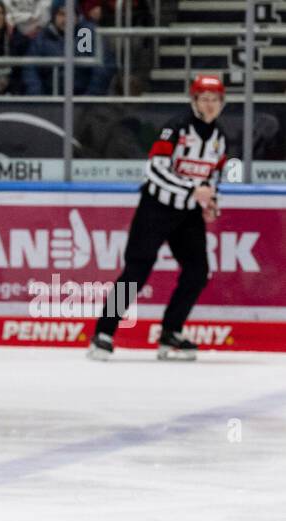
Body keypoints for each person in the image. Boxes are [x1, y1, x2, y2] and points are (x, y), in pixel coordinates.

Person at [88, 75, 229, 361]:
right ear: (194, 101)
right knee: (137, 270)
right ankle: (103, 333)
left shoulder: (219, 138)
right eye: (204, 99)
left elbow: (213, 176)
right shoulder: (176, 128)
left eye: (215, 100)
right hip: (156, 207)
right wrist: (194, 189)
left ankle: (170, 332)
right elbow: (155, 169)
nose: (210, 105)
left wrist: (212, 200)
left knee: (198, 271)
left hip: (188, 213)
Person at [23, 0, 114, 96]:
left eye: (70, 14)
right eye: (61, 14)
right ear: (54, 16)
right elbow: (30, 69)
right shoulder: (42, 38)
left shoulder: (86, 34)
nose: (66, 19)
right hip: (49, 101)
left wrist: (89, 98)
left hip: (86, 102)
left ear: (77, 16)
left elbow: (103, 68)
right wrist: (39, 98)